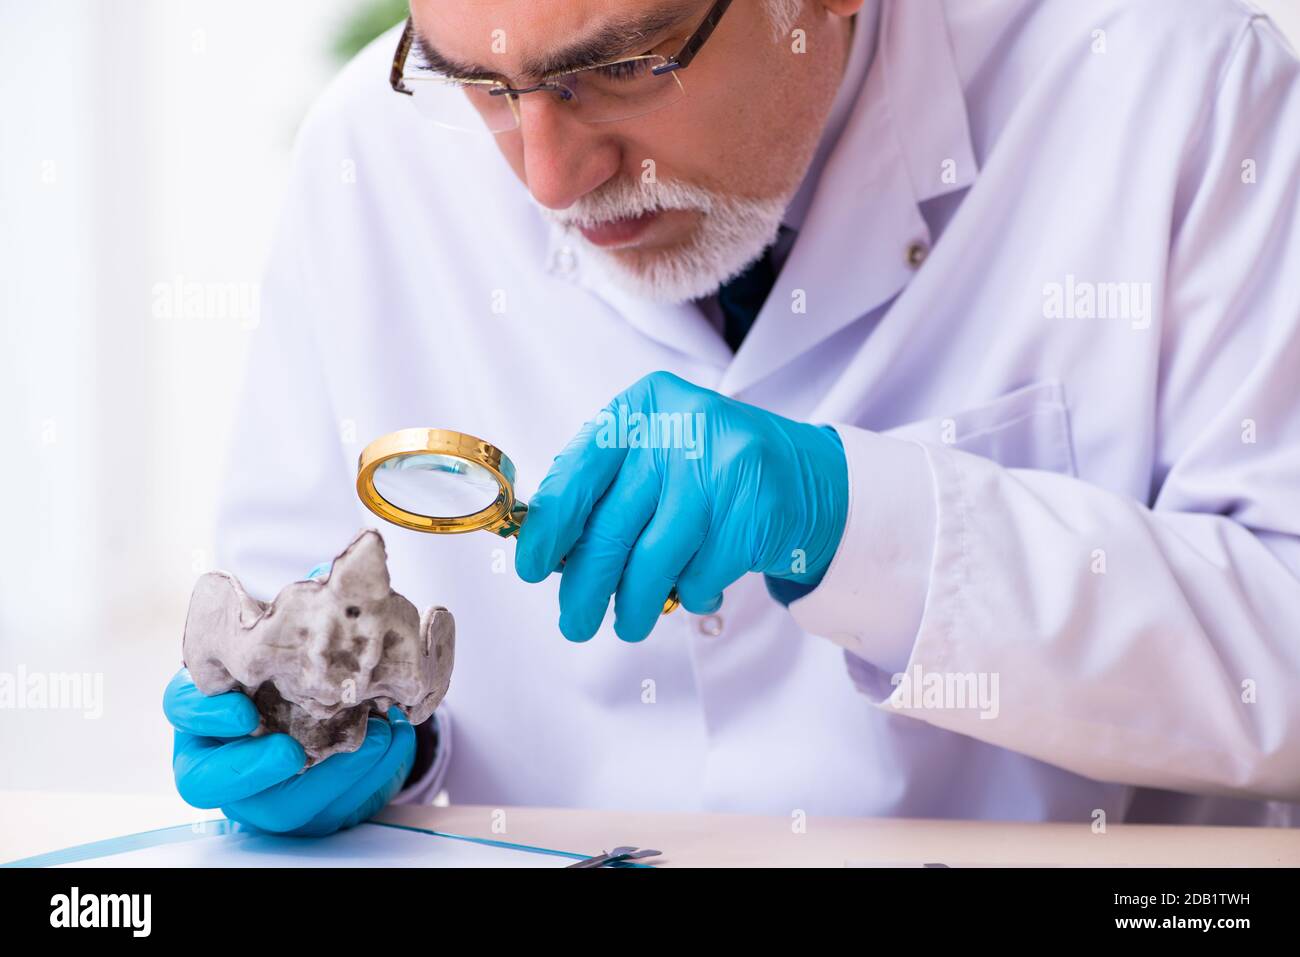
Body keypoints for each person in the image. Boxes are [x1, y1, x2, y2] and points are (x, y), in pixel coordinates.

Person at [164, 0, 1300, 834]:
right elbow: (287, 591)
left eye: (617, 68)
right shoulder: (372, 149)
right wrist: (361, 745)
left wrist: (858, 517)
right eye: (484, 88)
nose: (550, 181)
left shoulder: (1178, 95)